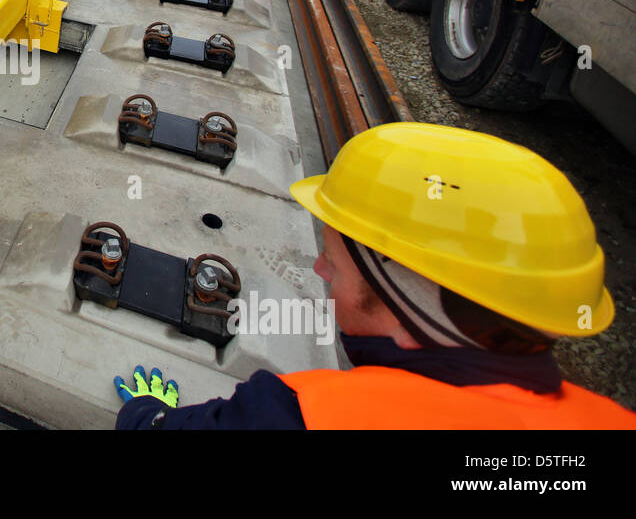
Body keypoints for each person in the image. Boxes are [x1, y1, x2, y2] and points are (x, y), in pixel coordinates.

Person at [115, 122, 636, 429]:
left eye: (335, 265)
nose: (318, 268)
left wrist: (147, 412)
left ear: (411, 304)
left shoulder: (306, 415)